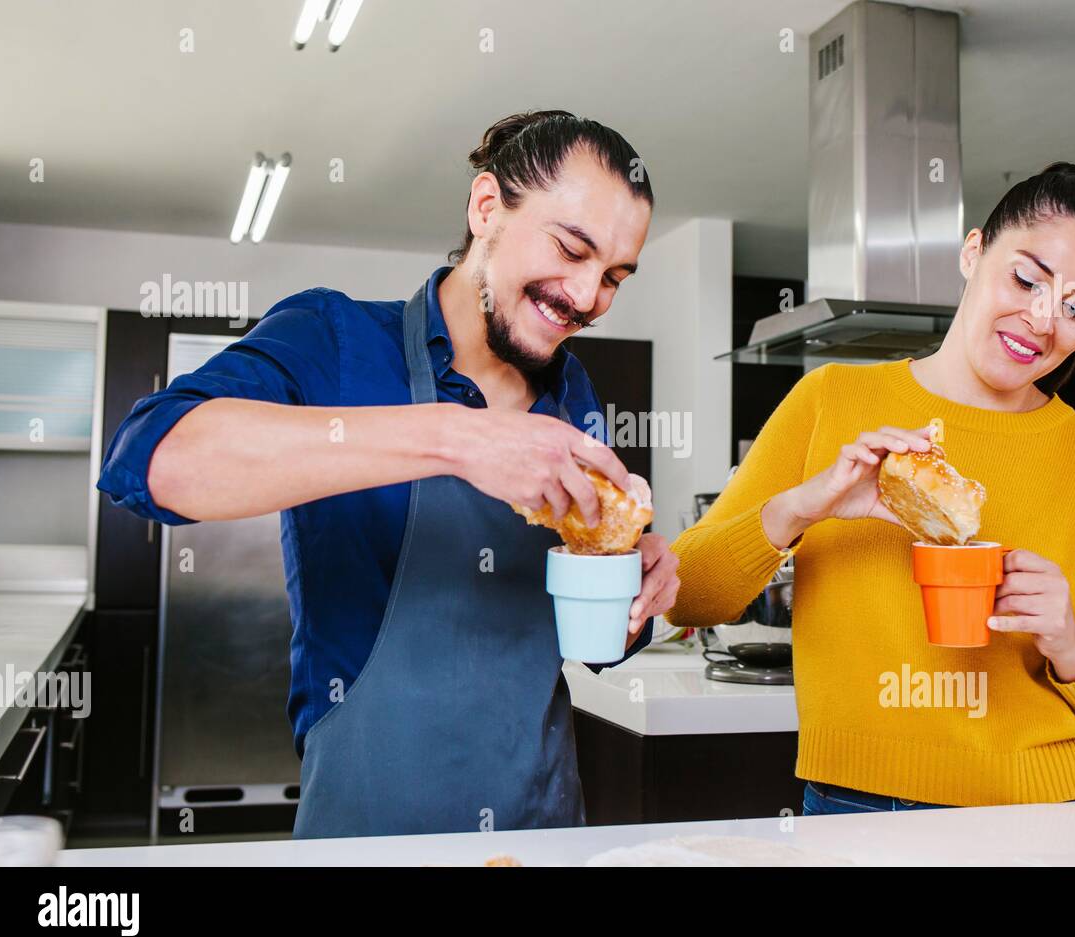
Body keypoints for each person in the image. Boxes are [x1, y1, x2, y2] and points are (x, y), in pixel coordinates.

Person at [98, 110, 681, 837]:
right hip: (365, 824)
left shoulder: (575, 395)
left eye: (615, 277)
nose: (588, 295)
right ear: (487, 206)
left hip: (542, 823)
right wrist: (455, 438)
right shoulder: (335, 340)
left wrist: (635, 577)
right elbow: (154, 459)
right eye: (571, 249)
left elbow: (588, 642)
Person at [666, 163, 1075, 813]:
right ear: (973, 252)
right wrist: (803, 506)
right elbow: (682, 595)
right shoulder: (830, 401)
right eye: (1027, 279)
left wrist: (1071, 644)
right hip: (853, 811)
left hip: (1043, 814)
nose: (1042, 320)